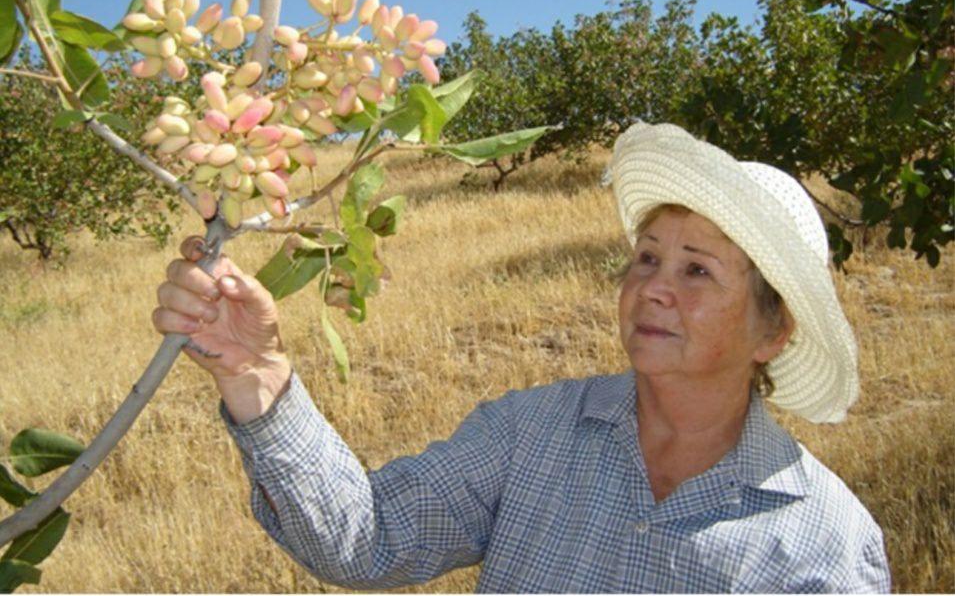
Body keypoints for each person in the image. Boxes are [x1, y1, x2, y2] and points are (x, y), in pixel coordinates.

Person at [152, 122, 891, 592]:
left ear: (772, 332)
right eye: (645, 258)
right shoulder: (530, 431)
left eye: (696, 270)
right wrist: (259, 375)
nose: (652, 290)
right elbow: (367, 538)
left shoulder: (822, 542)